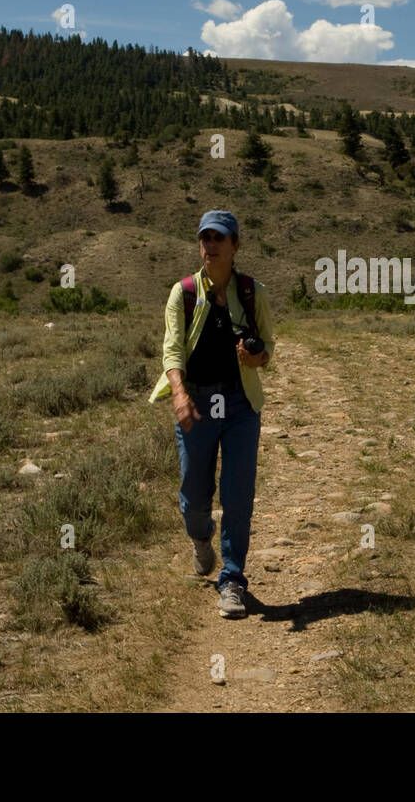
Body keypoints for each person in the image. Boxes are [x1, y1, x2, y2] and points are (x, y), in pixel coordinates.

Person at [150, 210, 274, 619]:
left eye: (219, 238)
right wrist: (180, 395)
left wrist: (255, 358)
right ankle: (201, 537)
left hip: (240, 404)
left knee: (238, 496)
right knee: (194, 493)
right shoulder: (182, 293)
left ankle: (233, 580)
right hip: (198, 403)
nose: (210, 246)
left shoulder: (253, 292)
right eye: (205, 238)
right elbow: (172, 349)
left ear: (235, 244)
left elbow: (268, 350)